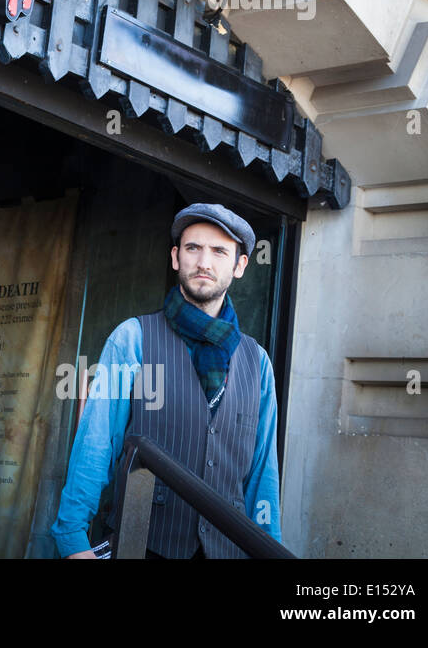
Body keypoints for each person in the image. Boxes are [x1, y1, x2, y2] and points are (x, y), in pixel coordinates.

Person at [50, 202, 282, 559]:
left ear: (239, 266)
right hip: (142, 546)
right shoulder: (133, 338)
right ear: (176, 258)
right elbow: (96, 445)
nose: (204, 262)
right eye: (193, 248)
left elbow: (263, 473)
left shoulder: (258, 362)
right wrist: (73, 539)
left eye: (219, 251)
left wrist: (270, 549)